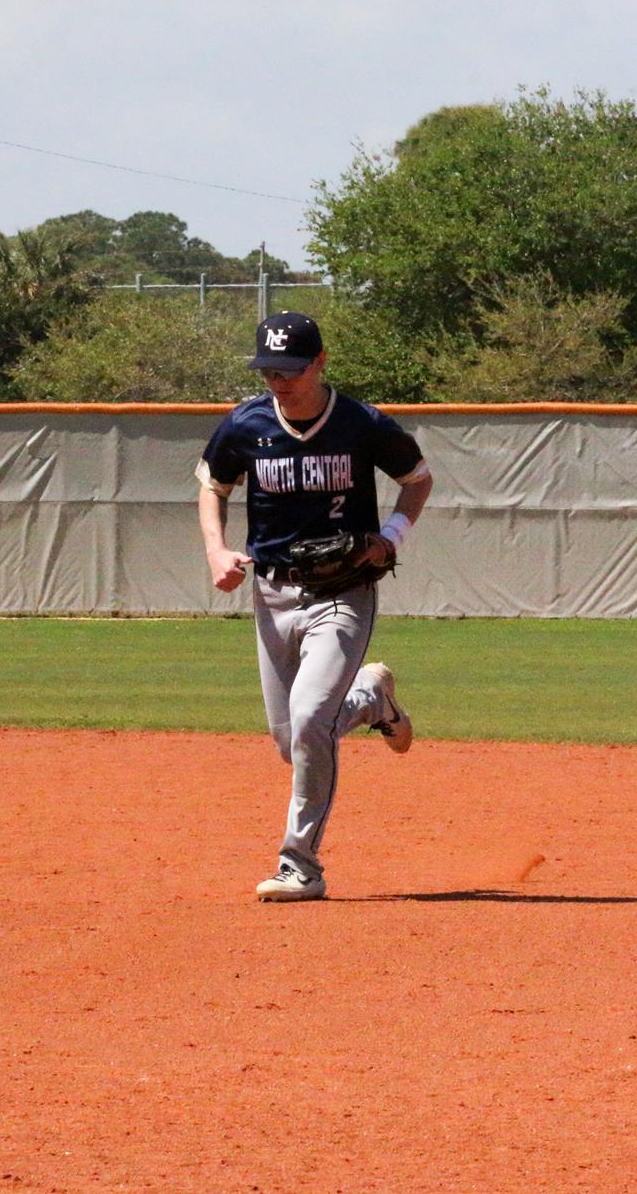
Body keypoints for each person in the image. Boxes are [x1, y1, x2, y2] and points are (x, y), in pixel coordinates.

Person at [196, 311, 433, 902]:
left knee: (308, 723)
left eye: (292, 370)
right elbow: (212, 487)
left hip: (343, 592)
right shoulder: (246, 423)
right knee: (292, 743)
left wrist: (391, 536)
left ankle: (300, 865)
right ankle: (371, 700)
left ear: (320, 362)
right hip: (272, 593)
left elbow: (417, 478)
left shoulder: (360, 423)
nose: (279, 381)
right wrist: (217, 550)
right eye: (269, 371)